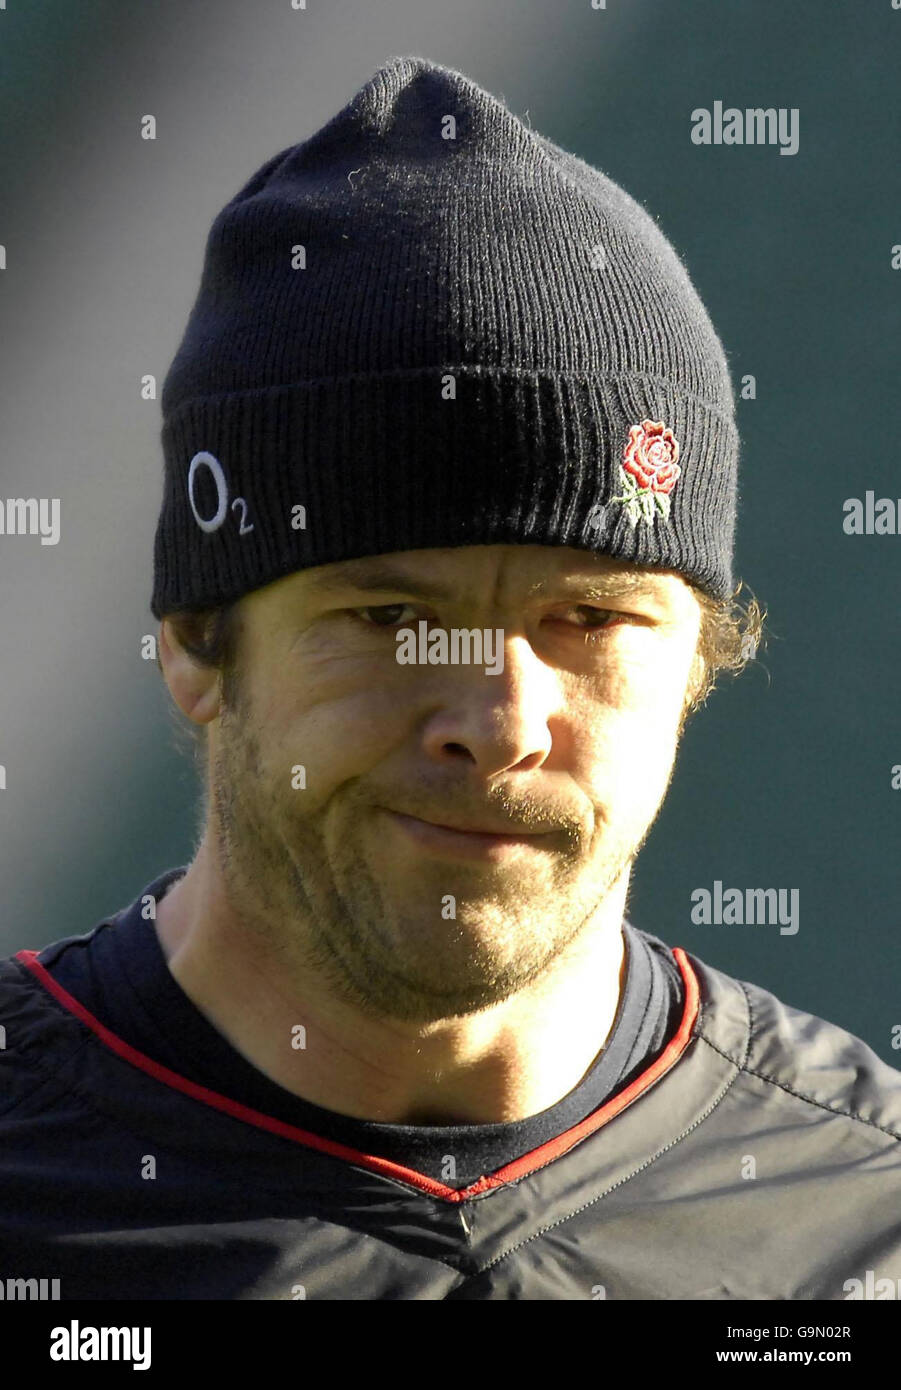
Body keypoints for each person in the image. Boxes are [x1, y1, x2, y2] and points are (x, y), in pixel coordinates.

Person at [2, 55, 899, 1302]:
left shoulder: (861, 1215)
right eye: (388, 614)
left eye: (589, 616)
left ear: (698, 658)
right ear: (197, 644)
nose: (498, 722)